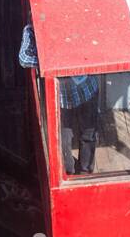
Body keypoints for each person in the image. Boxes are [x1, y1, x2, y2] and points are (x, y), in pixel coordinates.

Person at [18, 24, 98, 175]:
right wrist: (55, 61)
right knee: (63, 139)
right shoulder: (32, 29)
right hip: (60, 98)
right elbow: (24, 58)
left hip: (87, 91)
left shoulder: (76, 21)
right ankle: (68, 172)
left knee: (89, 134)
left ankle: (86, 172)